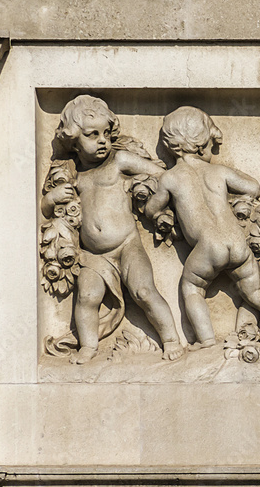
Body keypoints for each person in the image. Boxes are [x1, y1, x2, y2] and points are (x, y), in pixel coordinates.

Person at [43, 95, 185, 364]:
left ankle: (171, 339)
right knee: (86, 296)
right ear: (73, 141)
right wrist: (51, 199)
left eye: (106, 133)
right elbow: (47, 210)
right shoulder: (74, 176)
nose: (102, 140)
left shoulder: (119, 161)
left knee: (144, 291)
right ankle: (88, 346)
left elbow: (161, 174)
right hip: (93, 256)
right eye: (92, 134)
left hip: (127, 245)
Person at [145, 106, 260, 349]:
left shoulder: (171, 178)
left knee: (192, 288)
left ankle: (207, 341)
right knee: (257, 292)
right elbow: (252, 187)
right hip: (236, 242)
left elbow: (152, 208)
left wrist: (162, 215)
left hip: (208, 247)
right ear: (201, 145)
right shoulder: (217, 171)